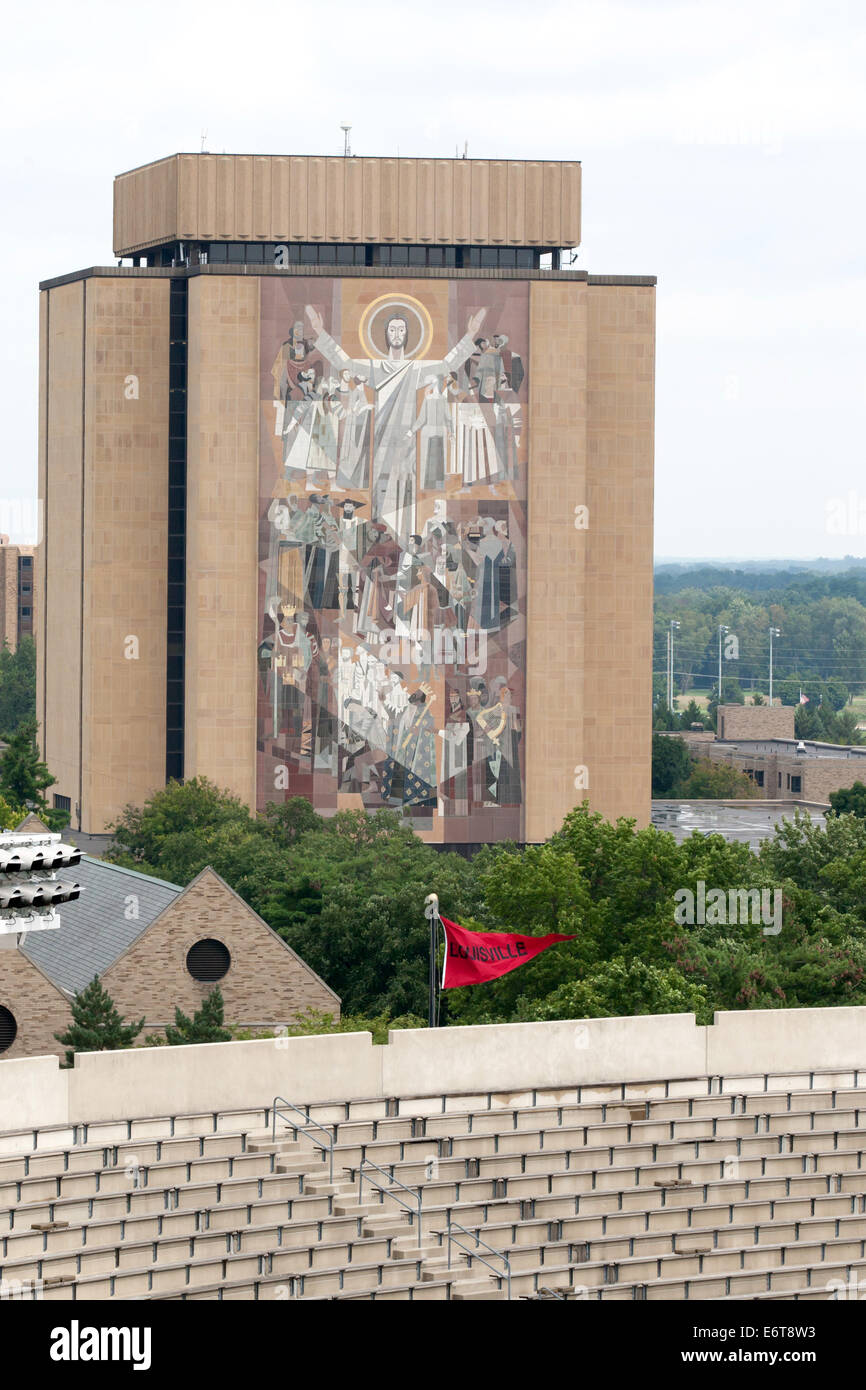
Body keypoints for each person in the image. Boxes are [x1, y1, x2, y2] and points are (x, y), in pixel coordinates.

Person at [305, 303, 486, 542]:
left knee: (405, 495)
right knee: (380, 497)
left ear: (408, 335)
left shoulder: (416, 370)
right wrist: (320, 333)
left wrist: (470, 335)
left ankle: (403, 544)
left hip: (406, 446)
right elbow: (344, 363)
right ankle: (379, 543)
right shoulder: (374, 367)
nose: (397, 334)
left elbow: (446, 365)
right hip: (380, 444)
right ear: (385, 335)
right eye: (392, 330)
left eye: (401, 330)